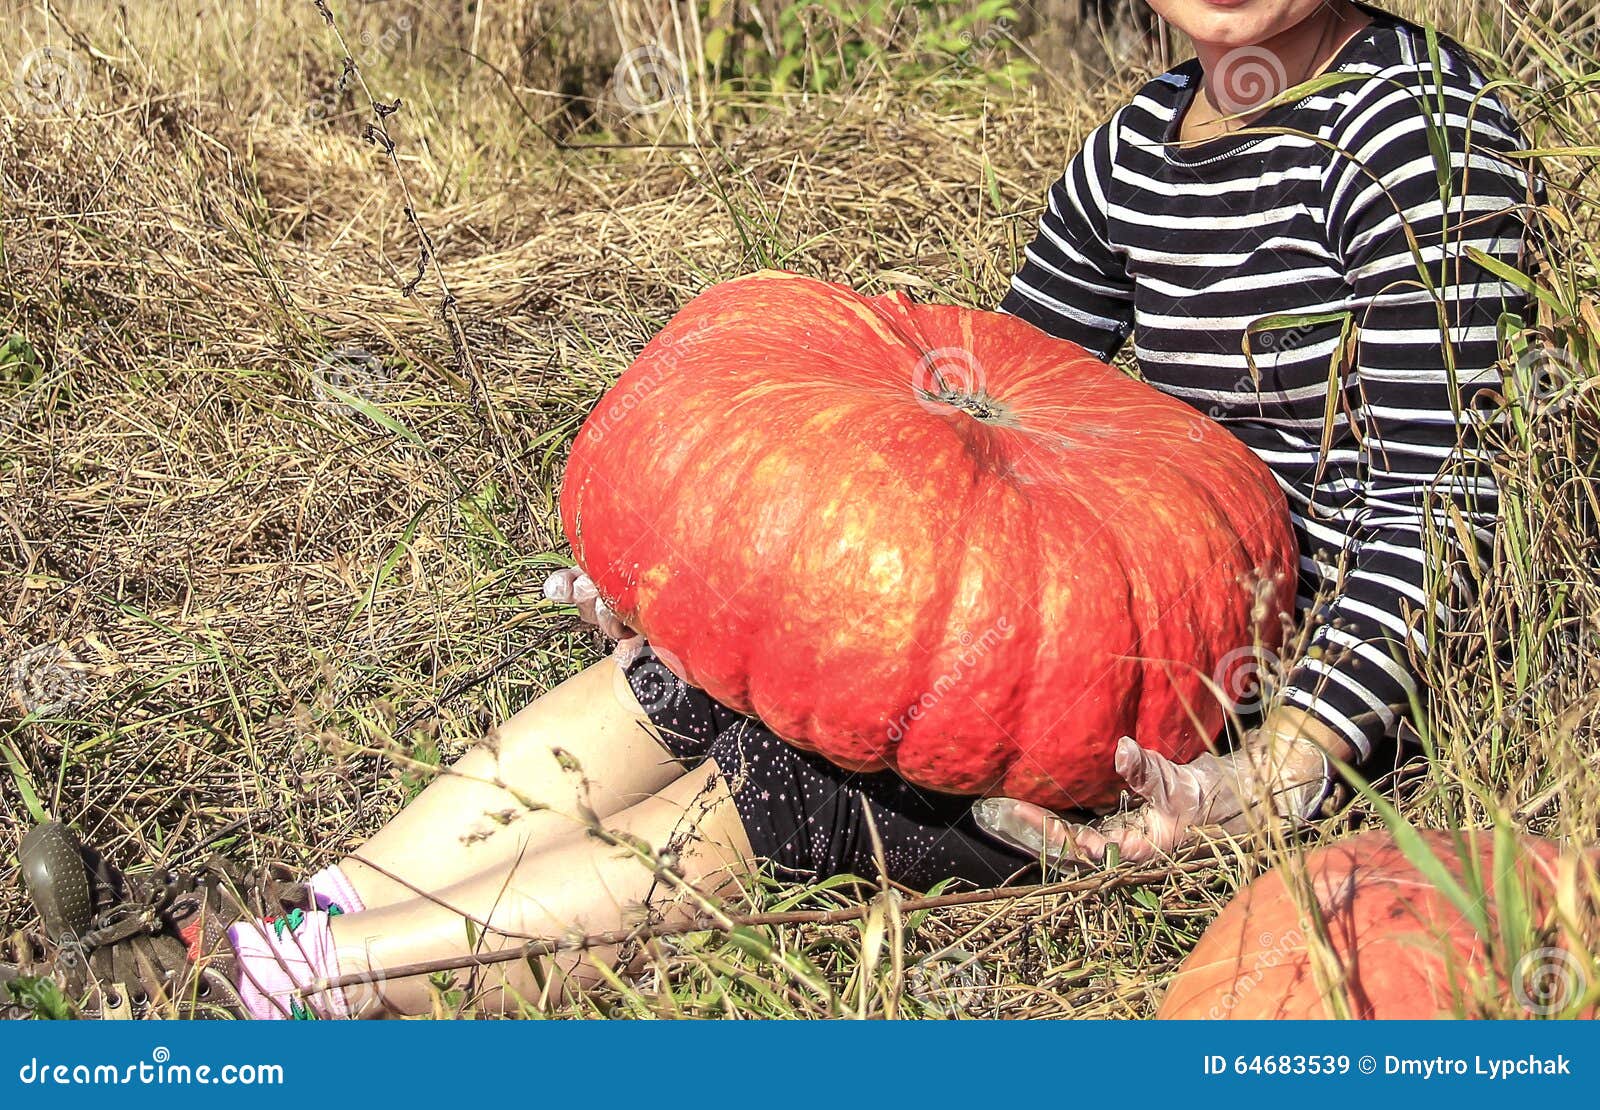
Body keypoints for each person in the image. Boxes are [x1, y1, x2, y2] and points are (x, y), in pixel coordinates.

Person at [1, 0, 1536, 1019]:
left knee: (786, 793)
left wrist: (1285, 760)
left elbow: (1441, 490)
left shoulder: (1409, 126)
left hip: (1232, 678)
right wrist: (729, 577)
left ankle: (265, 997)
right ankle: (266, 926)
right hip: (1081, 602)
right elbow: (988, 406)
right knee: (681, 678)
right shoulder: (1133, 146)